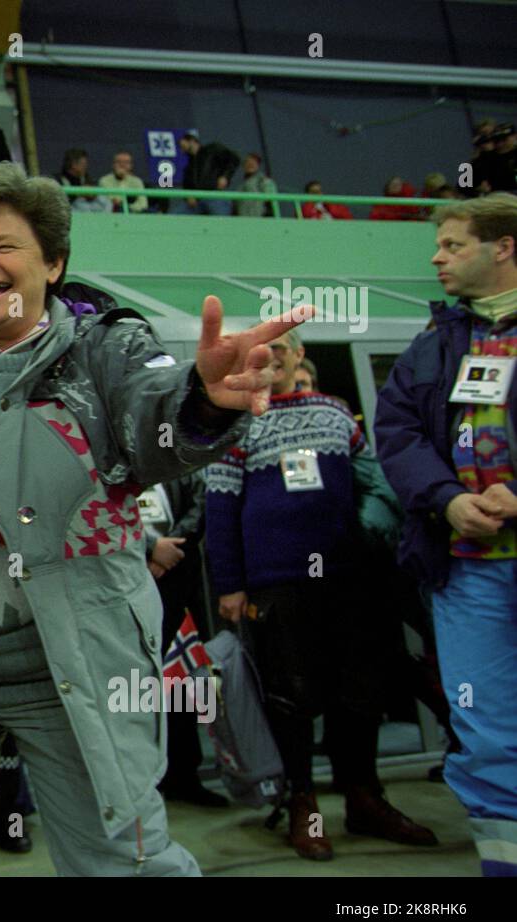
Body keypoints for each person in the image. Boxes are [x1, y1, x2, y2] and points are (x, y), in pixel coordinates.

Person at [0, 161, 310, 876]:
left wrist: (201, 401)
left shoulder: (106, 354)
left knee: (124, 858)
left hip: (82, 660)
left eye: (4, 245)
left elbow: (155, 421)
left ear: (54, 261)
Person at [206, 327, 437, 861]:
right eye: (259, 354)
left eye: (281, 351)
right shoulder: (236, 422)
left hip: (347, 577)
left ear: (299, 355)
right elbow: (220, 509)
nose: (270, 360)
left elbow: (373, 484)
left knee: (360, 692)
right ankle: (302, 806)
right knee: (290, 696)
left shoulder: (336, 412)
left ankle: (364, 798)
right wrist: (230, 585)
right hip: (275, 583)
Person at [374, 194, 517, 876]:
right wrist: (449, 499)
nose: (436, 257)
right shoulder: (430, 346)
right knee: (484, 725)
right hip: (465, 567)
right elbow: (396, 434)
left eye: (453, 244)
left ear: (505, 246)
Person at [141, 472, 226, 807]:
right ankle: (146, 782)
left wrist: (171, 548)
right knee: (134, 684)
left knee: (186, 680)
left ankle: (185, 775)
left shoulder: (175, 454)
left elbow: (201, 502)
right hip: (126, 581)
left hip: (180, 577)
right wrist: (149, 548)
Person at [177, 130, 238, 216]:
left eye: (182, 144)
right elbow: (186, 186)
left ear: (192, 141)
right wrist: (188, 197)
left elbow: (234, 158)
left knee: (220, 223)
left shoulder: (212, 150)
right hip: (197, 202)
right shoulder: (189, 167)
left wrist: (225, 177)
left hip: (215, 196)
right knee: (175, 216)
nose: (181, 148)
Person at [55, 149, 109, 214]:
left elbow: (93, 194)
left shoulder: (87, 178)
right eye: (83, 164)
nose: (86, 166)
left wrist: (92, 194)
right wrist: (79, 193)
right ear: (74, 165)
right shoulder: (57, 180)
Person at [235, 153, 277, 217]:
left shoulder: (263, 181)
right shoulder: (240, 186)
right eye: (247, 162)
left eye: (253, 163)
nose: (250, 165)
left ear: (258, 165)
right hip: (242, 221)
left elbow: (271, 201)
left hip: (258, 221)